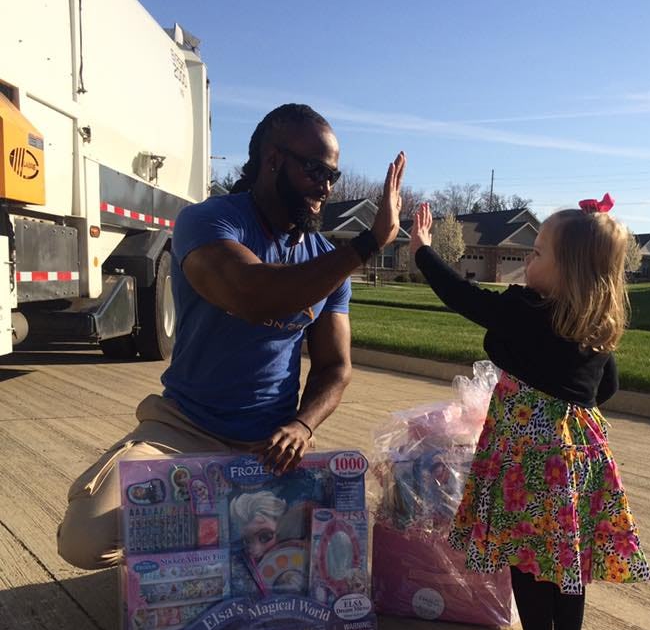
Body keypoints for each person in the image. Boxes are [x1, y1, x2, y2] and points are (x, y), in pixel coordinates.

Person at [57, 104, 405, 570]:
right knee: (84, 539)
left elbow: (334, 368)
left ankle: (213, 535)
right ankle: (194, 544)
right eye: (315, 170)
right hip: (183, 429)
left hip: (270, 446)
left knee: (340, 551)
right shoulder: (208, 222)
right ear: (273, 160)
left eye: (333, 176)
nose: (325, 186)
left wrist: (302, 426)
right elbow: (252, 294)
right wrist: (366, 245)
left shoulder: (327, 261)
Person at [409, 196, 650, 630]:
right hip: (579, 457)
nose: (526, 262)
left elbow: (465, 298)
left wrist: (421, 251)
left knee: (527, 555)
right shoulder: (597, 326)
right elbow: (606, 389)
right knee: (566, 557)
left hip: (528, 457)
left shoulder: (527, 310)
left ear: (568, 271)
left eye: (537, 254)